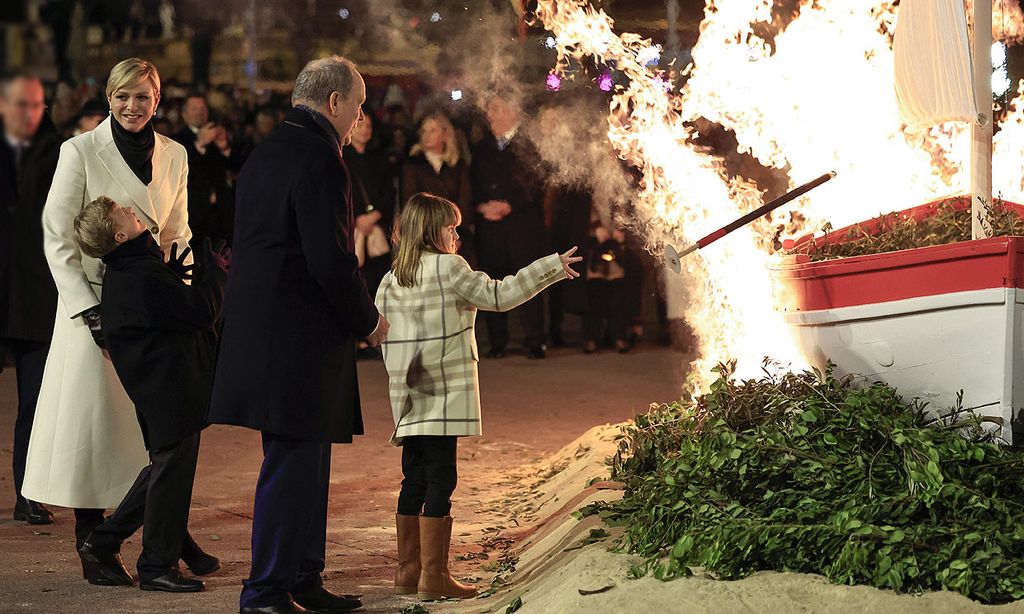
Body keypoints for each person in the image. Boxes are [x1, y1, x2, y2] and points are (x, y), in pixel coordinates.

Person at [208, 56, 388, 614]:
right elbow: (331, 261)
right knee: (292, 464)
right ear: (334, 102)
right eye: (357, 106)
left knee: (308, 461)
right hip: (295, 338)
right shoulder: (321, 160)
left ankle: (302, 578)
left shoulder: (267, 152)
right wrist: (369, 321)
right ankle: (265, 590)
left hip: (271, 332)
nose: (360, 118)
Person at [21, 58, 214, 571]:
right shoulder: (79, 150)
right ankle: (92, 543)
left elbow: (178, 232)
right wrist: (90, 314)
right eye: (122, 96)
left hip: (151, 308)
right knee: (95, 432)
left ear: (158, 100)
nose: (132, 106)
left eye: (143, 97)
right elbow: (58, 239)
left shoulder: (175, 153)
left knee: (155, 432)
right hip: (94, 310)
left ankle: (165, 535)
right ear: (109, 98)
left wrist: (181, 297)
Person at [376, 193, 581, 601]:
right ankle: (434, 577)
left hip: (409, 395)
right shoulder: (450, 268)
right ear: (432, 231)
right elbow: (500, 296)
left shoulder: (391, 278)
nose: (457, 235)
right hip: (443, 391)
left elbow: (382, 334)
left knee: (413, 477)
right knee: (441, 478)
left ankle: (408, 572)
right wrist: (551, 267)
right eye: (450, 227)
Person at [71, 196, 229, 592]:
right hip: (169, 387)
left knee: (167, 469)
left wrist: (171, 277)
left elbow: (162, 311)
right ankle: (153, 563)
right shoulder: (141, 274)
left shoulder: (132, 270)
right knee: (168, 471)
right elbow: (201, 311)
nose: (130, 209)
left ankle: (159, 548)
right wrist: (217, 273)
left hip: (161, 386)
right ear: (119, 235)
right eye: (121, 213)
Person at [0, 72, 61, 525]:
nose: (29, 113)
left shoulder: (59, 152)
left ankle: (29, 493)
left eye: (37, 104)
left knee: (36, 405)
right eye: (21, 104)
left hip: (38, 295)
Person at [470, 92, 549, 359]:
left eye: (496, 108)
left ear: (512, 111)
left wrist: (510, 204)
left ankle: (534, 339)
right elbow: (473, 183)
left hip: (521, 225)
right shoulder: (481, 148)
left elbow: (537, 183)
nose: (490, 115)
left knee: (528, 281)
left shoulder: (530, 144)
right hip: (490, 226)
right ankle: (497, 341)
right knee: (493, 281)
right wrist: (481, 206)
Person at [401, 113, 474, 264]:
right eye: (424, 131)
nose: (427, 135)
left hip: (458, 234)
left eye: (433, 130)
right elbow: (410, 201)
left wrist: (454, 233)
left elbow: (465, 200)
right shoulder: (413, 165)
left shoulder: (458, 165)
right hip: (426, 237)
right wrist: (433, 236)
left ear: (445, 134)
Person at [171, 93, 236, 249]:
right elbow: (183, 170)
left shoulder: (217, 137)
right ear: (184, 114)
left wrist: (224, 148)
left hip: (221, 214)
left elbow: (232, 168)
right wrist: (199, 144)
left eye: (203, 108)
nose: (200, 112)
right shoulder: (177, 140)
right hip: (194, 213)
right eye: (194, 108)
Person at [343, 109, 395, 299]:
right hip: (352, 226)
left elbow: (388, 191)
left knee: (380, 278)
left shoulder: (379, 157)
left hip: (378, 225)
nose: (365, 130)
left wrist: (376, 214)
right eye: (360, 125)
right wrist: (357, 217)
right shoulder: (341, 157)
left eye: (368, 126)